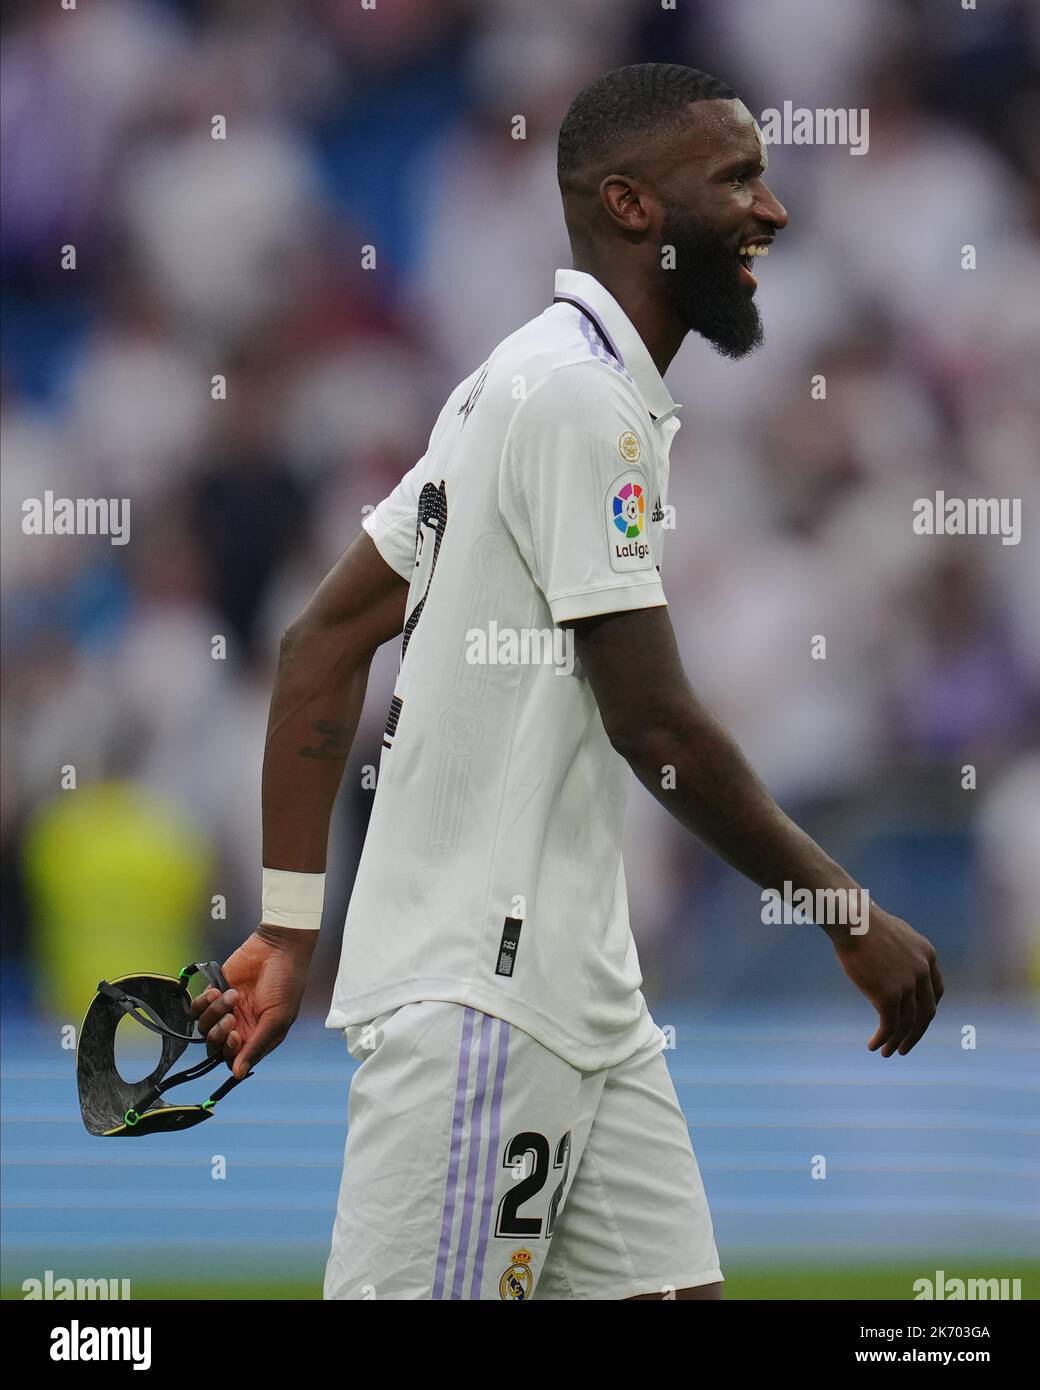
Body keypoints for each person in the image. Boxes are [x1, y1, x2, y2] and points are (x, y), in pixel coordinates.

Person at [193, 63, 943, 1301]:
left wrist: (287, 925)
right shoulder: (574, 401)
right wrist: (842, 912)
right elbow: (653, 722)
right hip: (485, 997)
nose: (773, 210)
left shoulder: (516, 378)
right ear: (631, 205)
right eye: (738, 178)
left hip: (580, 998)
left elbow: (320, 646)